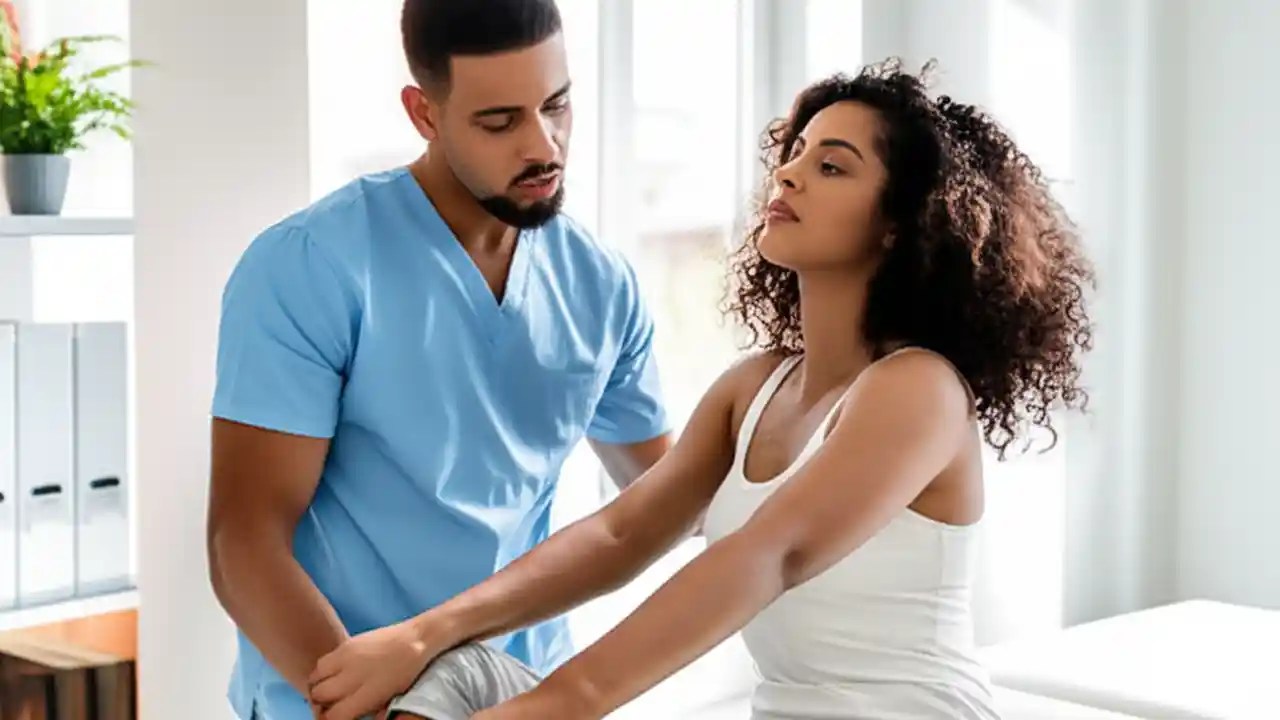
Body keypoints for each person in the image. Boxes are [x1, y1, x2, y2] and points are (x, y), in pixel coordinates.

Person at [309, 59, 1096, 720]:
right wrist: (420, 635)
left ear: (901, 224)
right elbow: (620, 536)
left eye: (832, 166)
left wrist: (561, 705)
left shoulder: (917, 389)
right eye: (796, 152)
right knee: (452, 675)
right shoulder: (753, 389)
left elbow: (770, 554)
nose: (788, 171)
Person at [205, 1, 673, 718]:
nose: (543, 145)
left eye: (557, 105)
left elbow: (664, 495)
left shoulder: (601, 284)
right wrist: (360, 708)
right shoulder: (310, 266)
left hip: (517, 693)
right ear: (425, 114)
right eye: (499, 121)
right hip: (335, 692)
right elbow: (245, 540)